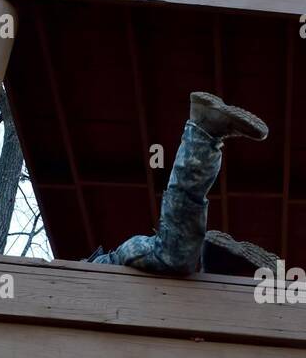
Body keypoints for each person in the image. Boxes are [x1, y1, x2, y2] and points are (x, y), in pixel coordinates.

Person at [88, 91, 276, 277]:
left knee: (174, 257)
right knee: (179, 269)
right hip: (126, 265)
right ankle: (210, 263)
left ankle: (203, 131)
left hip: (114, 263)